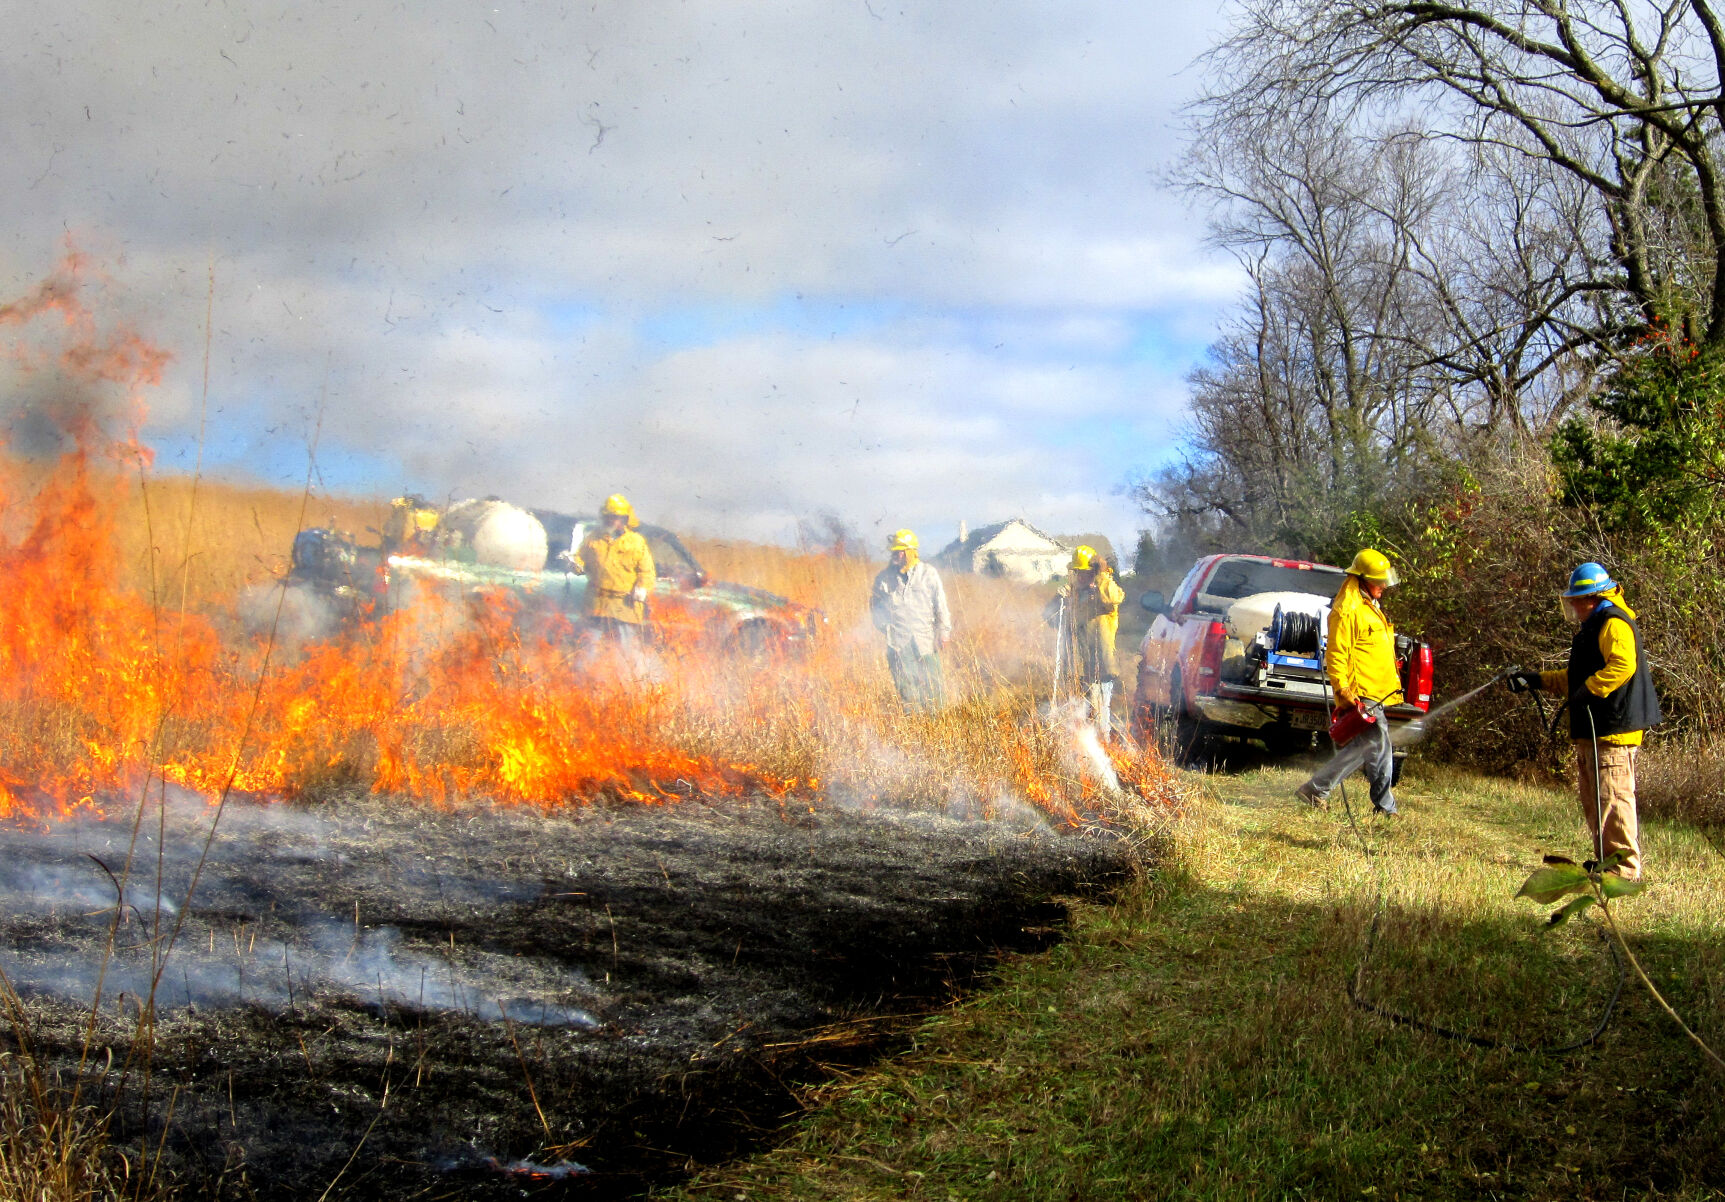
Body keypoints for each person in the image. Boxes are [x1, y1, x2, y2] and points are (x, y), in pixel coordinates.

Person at [1506, 563, 1661, 880]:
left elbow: (1622, 665)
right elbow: (1576, 677)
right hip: (1595, 734)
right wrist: (1534, 680)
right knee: (1598, 803)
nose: (1573, 606)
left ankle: (1623, 870)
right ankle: (1607, 862)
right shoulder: (1593, 627)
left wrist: (1589, 690)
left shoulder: (1614, 623)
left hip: (1614, 731)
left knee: (1614, 802)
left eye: (1577, 599)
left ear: (1593, 596)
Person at [1297, 548, 1403, 815]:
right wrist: (1343, 691)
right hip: (1361, 692)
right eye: (1378, 580)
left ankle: (1316, 788)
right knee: (1379, 747)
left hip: (1376, 691)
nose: (1383, 586)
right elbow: (1336, 653)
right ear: (1362, 579)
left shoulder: (1369, 606)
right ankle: (1385, 807)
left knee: (1364, 747)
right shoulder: (1347, 610)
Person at [869, 529, 951, 710]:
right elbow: (875, 607)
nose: (896, 555)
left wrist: (943, 633)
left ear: (911, 552)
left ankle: (937, 724)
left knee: (934, 687)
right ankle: (915, 725)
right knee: (907, 690)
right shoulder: (884, 578)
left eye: (900, 551)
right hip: (898, 644)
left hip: (925, 642)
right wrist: (886, 628)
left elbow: (941, 606)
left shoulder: (928, 574)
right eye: (894, 552)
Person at [1062, 545, 1126, 738]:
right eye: (1077, 573)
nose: (1081, 577)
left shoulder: (1105, 591)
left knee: (1099, 709)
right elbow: (1057, 622)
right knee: (1082, 708)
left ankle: (1103, 746)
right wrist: (1062, 599)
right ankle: (1083, 748)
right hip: (1080, 667)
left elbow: (1115, 597)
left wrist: (1102, 575)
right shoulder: (1074, 594)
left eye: (1085, 573)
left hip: (1102, 665)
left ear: (1094, 572)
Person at [576, 493, 656, 643]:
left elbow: (647, 572)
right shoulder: (594, 538)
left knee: (625, 649)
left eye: (614, 517)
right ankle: (585, 668)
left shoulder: (636, 542)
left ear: (624, 519)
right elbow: (581, 560)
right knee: (588, 647)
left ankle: (625, 668)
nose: (610, 521)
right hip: (597, 604)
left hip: (625, 606)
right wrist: (575, 564)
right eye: (608, 516)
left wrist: (642, 588)